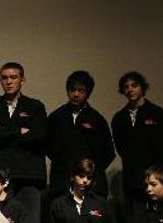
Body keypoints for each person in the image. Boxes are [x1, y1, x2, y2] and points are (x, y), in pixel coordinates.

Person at [0, 62, 47, 223]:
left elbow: (39, 135)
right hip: (1, 177)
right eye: (4, 78)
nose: (9, 81)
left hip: (29, 175)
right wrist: (21, 131)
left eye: (13, 77)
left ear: (22, 80)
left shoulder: (36, 106)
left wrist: (4, 130)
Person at [112, 72, 163, 208]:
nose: (130, 89)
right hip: (133, 180)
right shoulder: (119, 118)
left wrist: (157, 165)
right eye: (126, 87)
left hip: (158, 179)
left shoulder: (158, 113)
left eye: (134, 85)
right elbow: (120, 148)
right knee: (136, 220)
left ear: (142, 88)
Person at [46, 70, 116, 199]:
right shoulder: (56, 117)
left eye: (81, 90)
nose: (76, 94)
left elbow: (109, 152)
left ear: (88, 93)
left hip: (92, 186)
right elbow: (47, 147)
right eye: (72, 90)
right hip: (61, 184)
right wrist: (62, 164)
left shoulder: (97, 119)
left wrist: (90, 172)